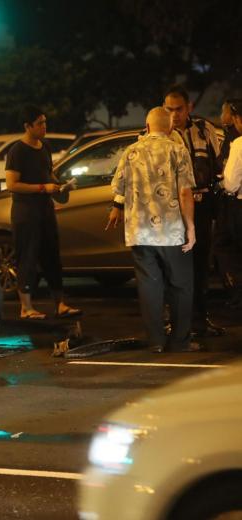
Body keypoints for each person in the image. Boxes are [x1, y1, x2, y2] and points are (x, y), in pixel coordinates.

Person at [106, 107, 199, 353]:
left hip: (140, 232)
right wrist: (191, 228)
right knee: (181, 286)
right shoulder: (177, 150)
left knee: (149, 287)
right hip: (172, 232)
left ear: (146, 126)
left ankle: (155, 341)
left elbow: (118, 187)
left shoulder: (131, 151)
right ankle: (180, 342)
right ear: (169, 128)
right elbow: (185, 192)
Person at [4, 105, 80, 320]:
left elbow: (48, 174)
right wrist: (41, 188)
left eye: (45, 122)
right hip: (26, 213)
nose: (44, 126)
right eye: (40, 123)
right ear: (27, 126)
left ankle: (60, 304)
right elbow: (12, 184)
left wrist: (60, 186)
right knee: (27, 257)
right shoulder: (17, 151)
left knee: (52, 257)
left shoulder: (45, 146)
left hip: (46, 210)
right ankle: (26, 308)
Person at [163, 86, 224, 336]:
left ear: (189, 108)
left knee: (200, 267)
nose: (174, 114)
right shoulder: (156, 134)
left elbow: (219, 163)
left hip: (201, 206)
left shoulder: (204, 129)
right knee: (174, 268)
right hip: (171, 211)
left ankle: (200, 320)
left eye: (179, 109)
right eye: (169, 109)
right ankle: (175, 322)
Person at [219, 99, 242, 306]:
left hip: (239, 204)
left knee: (231, 249)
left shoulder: (238, 144)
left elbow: (232, 184)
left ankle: (238, 296)